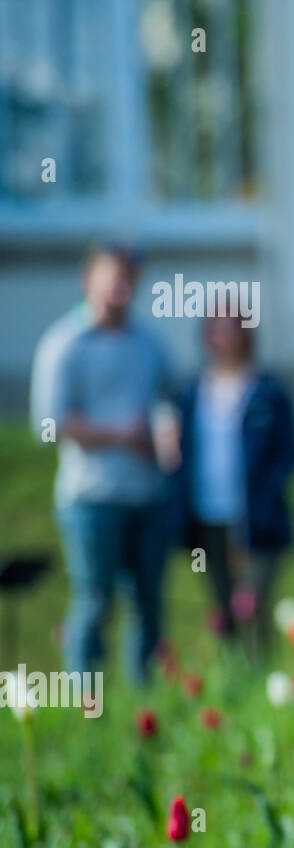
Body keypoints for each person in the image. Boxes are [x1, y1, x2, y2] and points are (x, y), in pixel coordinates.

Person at [47, 244, 173, 684]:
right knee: (94, 601)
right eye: (113, 274)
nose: (122, 284)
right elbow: (49, 423)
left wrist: (163, 431)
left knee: (147, 604)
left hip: (146, 494)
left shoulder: (149, 345)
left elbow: (165, 403)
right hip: (91, 498)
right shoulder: (65, 343)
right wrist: (122, 435)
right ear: (89, 279)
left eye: (129, 276)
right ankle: (85, 700)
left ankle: (145, 706)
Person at [173, 312, 294, 653]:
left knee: (253, 602)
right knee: (223, 605)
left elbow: (290, 452)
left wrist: (266, 492)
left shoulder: (269, 390)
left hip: (258, 517)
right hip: (207, 514)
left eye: (233, 330)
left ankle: (260, 669)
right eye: (218, 331)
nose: (226, 338)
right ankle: (233, 676)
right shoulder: (192, 391)